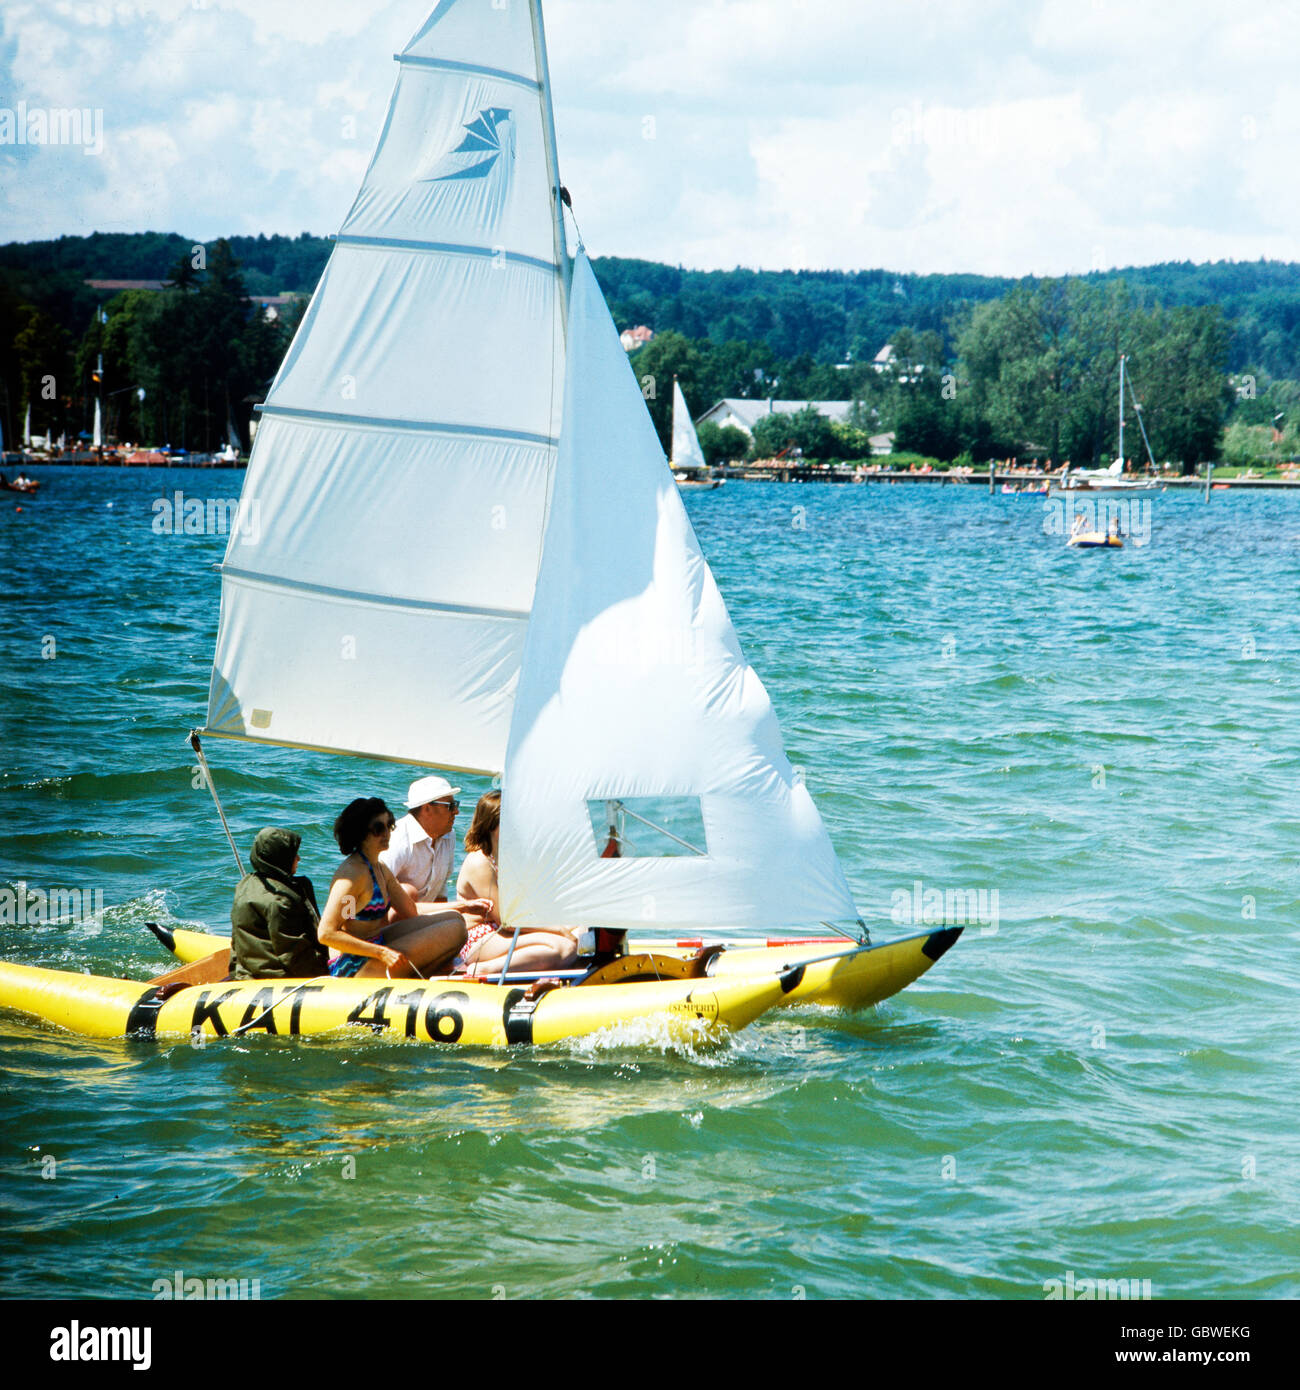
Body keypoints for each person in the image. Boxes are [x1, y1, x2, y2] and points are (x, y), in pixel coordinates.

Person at [316, 797, 470, 978]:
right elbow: (327, 933)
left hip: (377, 943)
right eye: (378, 828)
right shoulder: (352, 876)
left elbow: (411, 910)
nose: (386, 833)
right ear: (360, 833)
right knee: (454, 930)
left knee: (455, 920)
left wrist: (464, 906)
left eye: (389, 825)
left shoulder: (379, 869)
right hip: (354, 964)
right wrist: (380, 953)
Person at [454, 790, 579, 975]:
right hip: (482, 936)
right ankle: (484, 969)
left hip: (507, 930)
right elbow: (506, 920)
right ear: (491, 825)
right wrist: (558, 928)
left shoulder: (507, 857)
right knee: (563, 948)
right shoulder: (478, 862)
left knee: (579, 932)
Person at [229, 827, 329, 979]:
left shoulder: (245, 884)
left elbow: (236, 941)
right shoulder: (280, 900)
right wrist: (329, 974)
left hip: (246, 972)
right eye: (294, 855)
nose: (299, 858)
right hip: (278, 978)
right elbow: (293, 954)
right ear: (280, 858)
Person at [380, 775, 475, 910]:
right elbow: (377, 887)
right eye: (451, 806)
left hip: (421, 917)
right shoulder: (397, 838)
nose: (456, 811)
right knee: (407, 892)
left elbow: (440, 890)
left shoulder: (449, 836)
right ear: (427, 809)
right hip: (391, 920)